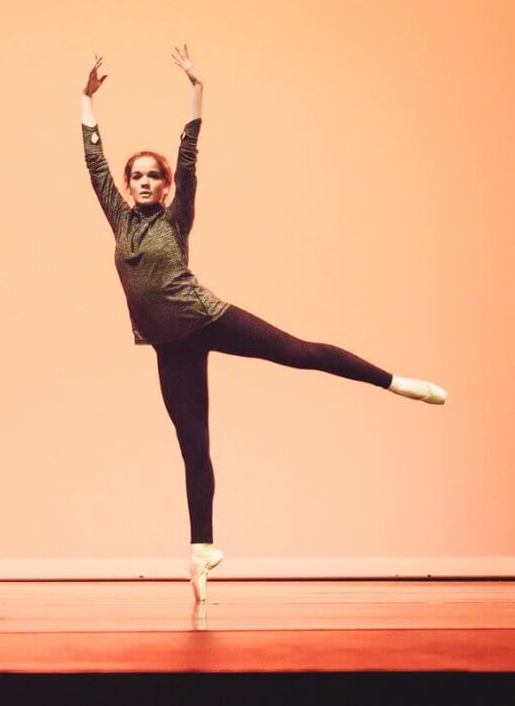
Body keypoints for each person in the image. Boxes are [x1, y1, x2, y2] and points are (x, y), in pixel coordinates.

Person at [80, 46, 446, 603]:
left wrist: (197, 91)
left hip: (207, 319)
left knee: (299, 353)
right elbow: (94, 163)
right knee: (193, 445)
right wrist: (84, 100)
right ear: (129, 186)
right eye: (138, 176)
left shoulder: (176, 218)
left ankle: (395, 382)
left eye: (155, 176)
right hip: (169, 347)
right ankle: (201, 551)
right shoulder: (119, 219)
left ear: (167, 185)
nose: (146, 181)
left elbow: (189, 155)